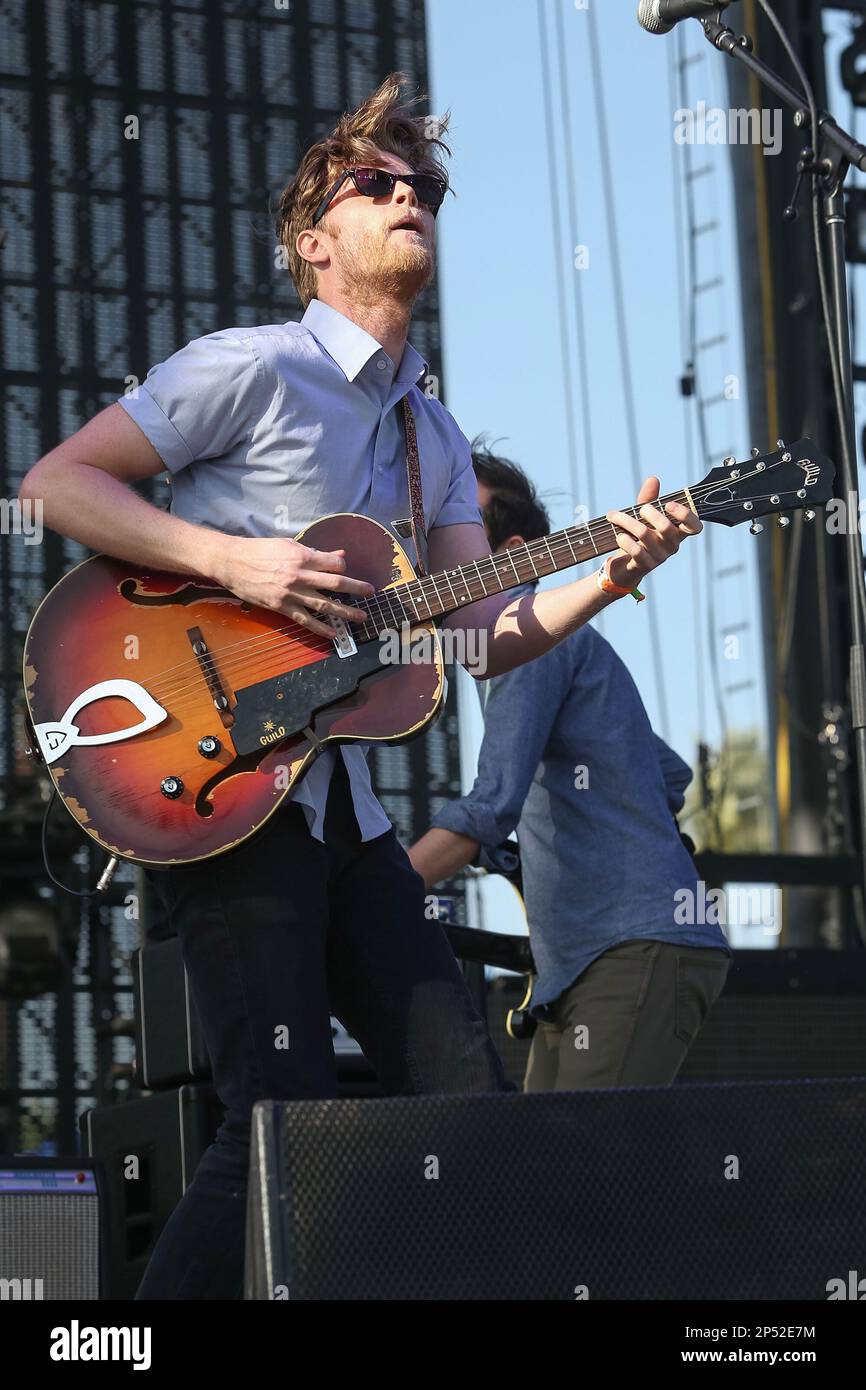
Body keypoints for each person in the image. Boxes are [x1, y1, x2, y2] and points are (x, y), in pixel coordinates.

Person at [18, 74, 701, 1298]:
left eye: (424, 188)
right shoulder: (251, 368)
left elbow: (475, 638)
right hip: (220, 784)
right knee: (272, 1119)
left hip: (349, 816)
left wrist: (610, 572)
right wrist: (234, 559)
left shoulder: (430, 437)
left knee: (464, 1113)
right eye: (378, 185)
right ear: (313, 243)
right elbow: (59, 485)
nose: (409, 199)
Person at [409, 444, 731, 1092]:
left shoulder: (529, 640)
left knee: (583, 1179)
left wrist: (380, 892)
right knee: (551, 1188)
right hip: (587, 964)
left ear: (512, 551)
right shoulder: (534, 653)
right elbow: (666, 776)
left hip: (629, 947)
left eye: (455, 529)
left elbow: (489, 806)